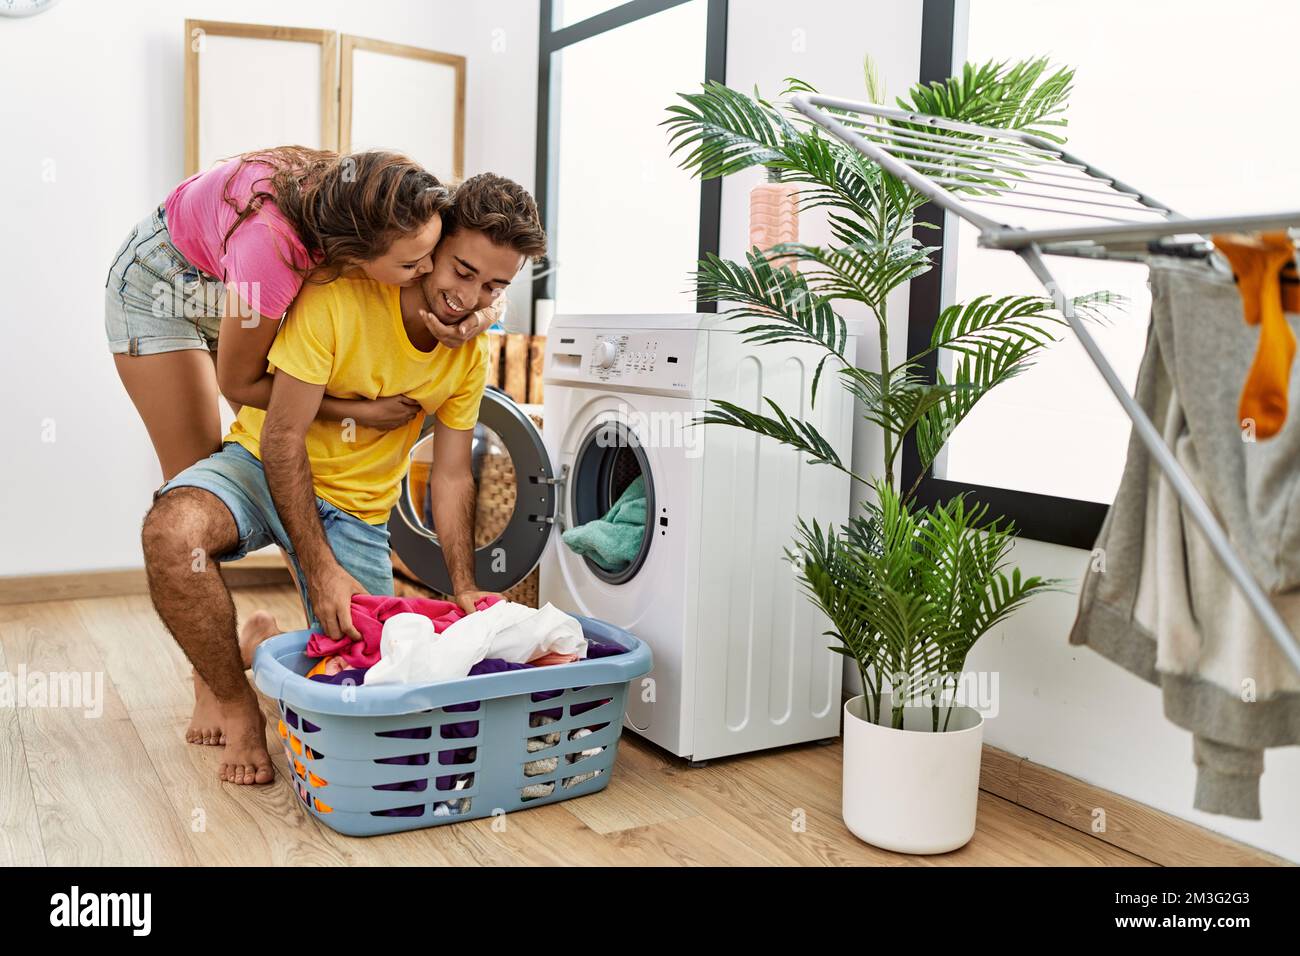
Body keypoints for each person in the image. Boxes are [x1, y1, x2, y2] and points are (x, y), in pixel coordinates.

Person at [140, 173, 548, 785]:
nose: (469, 298)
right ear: (431, 245)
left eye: (493, 286)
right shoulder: (339, 295)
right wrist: (320, 565)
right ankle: (238, 706)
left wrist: (464, 587)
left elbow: (455, 473)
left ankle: (257, 646)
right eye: (462, 271)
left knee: (375, 683)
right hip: (259, 464)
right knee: (173, 534)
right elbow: (281, 438)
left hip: (355, 510)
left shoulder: (468, 351)